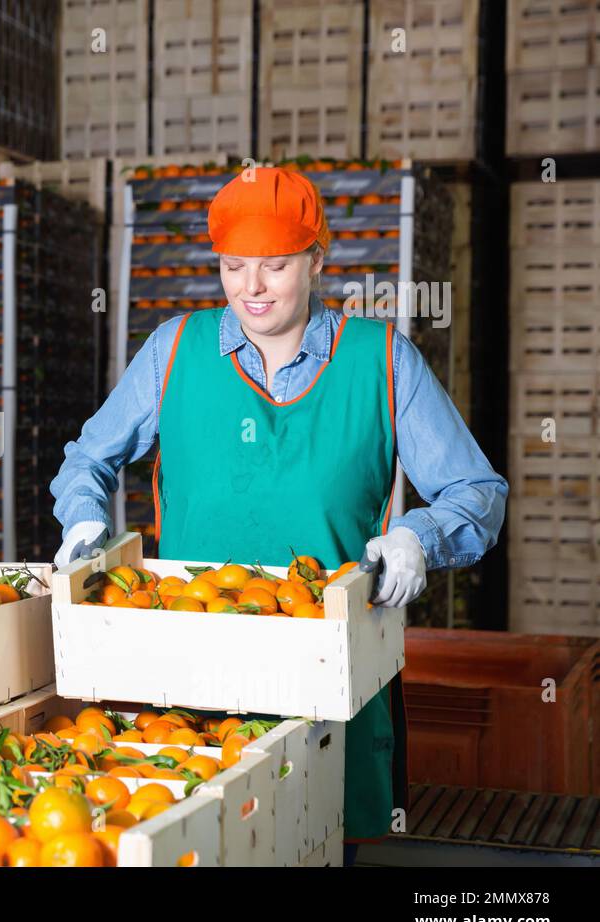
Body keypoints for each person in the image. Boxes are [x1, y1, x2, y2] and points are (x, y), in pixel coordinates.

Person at [50, 167, 506, 863]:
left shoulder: (382, 363)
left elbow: (478, 491)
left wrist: (420, 536)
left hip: (328, 686)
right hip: (189, 682)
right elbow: (87, 460)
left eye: (276, 266)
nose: (251, 288)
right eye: (234, 267)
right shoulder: (175, 352)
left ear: (318, 259)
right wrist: (83, 517)